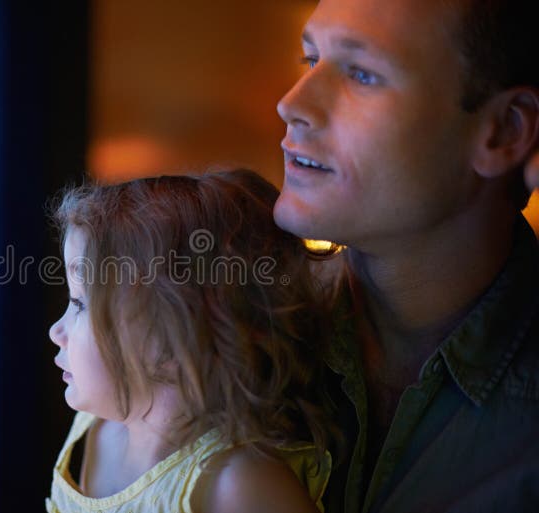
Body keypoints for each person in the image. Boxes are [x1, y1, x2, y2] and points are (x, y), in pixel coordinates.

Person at [274, 0, 539, 511]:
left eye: (361, 74)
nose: (292, 104)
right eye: (311, 61)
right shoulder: (225, 336)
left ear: (503, 130)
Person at [46, 170, 334, 513]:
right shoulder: (94, 428)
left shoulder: (238, 485)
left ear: (173, 332)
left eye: (79, 304)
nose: (55, 331)